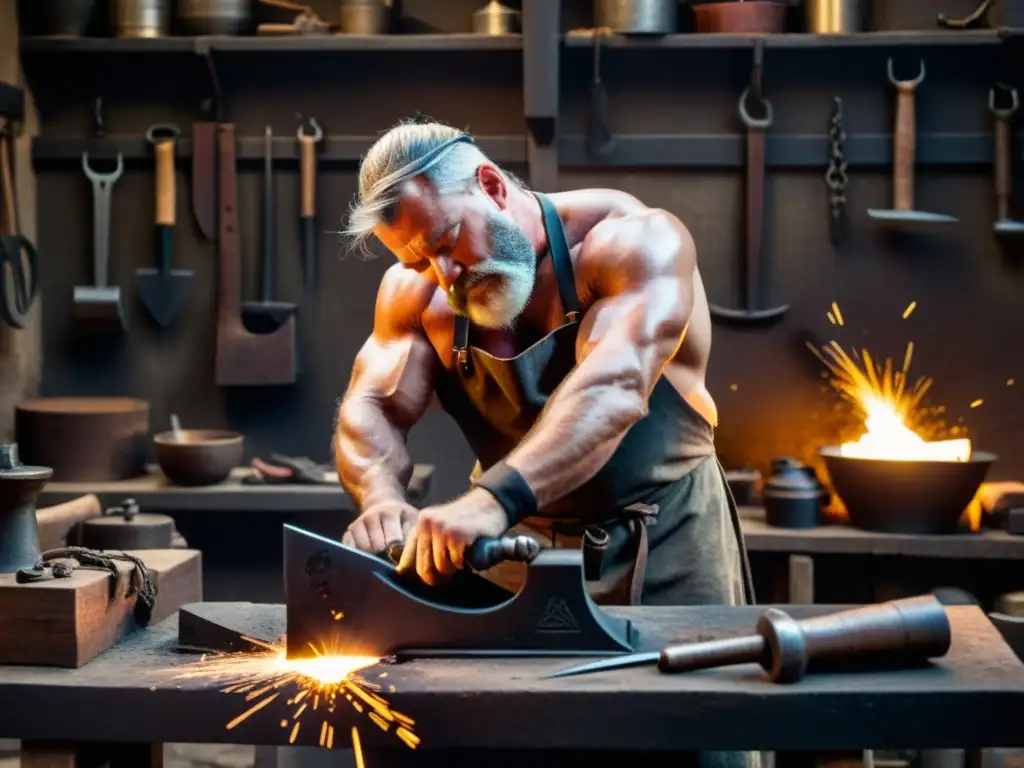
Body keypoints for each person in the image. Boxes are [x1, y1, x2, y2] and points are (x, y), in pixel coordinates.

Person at [334, 116, 754, 611]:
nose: (444, 278)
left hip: (665, 544)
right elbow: (372, 406)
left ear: (490, 186)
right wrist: (381, 498)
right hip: (509, 552)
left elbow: (612, 389)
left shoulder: (633, 243)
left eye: (448, 243)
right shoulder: (419, 292)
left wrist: (492, 501)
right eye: (420, 261)